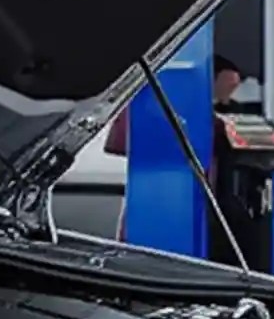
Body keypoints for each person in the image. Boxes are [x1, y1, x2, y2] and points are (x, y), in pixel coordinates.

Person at [103, 55, 245, 239]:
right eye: (226, 89)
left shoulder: (217, 117)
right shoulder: (154, 103)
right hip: (161, 194)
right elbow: (119, 141)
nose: (227, 99)